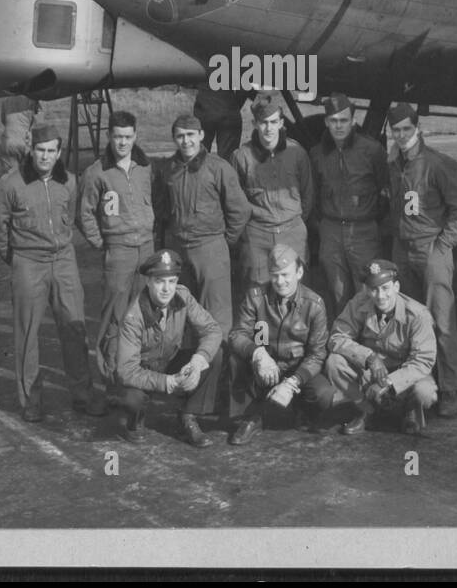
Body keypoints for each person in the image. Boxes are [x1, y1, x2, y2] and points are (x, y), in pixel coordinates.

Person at [0, 124, 106, 422]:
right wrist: (15, 258)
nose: (45, 156)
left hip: (64, 260)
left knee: (74, 327)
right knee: (27, 333)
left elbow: (73, 215)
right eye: (40, 150)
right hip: (28, 261)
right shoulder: (9, 185)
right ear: (31, 150)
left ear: (59, 152)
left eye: (52, 151)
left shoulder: (70, 183)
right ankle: (31, 401)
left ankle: (82, 394)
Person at [385, 103, 457, 418]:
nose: (401, 135)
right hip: (403, 249)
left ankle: (450, 389)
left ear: (417, 128)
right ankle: (418, 385)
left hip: (431, 249)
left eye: (406, 129)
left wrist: (444, 244)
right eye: (395, 130)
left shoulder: (438, 164)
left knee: (442, 321)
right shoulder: (394, 164)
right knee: (410, 322)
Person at [225, 244, 335, 445]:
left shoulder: (314, 304)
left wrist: (293, 382)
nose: (280, 281)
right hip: (266, 366)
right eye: (274, 275)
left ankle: (302, 410)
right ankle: (250, 417)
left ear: (299, 272)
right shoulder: (256, 297)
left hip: (296, 367)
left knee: (324, 394)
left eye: (286, 274)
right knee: (235, 360)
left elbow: (317, 354)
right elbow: (237, 334)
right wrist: (258, 354)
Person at [153, 114, 251, 340]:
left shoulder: (218, 168)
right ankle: (187, 365)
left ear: (201, 135)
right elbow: (162, 210)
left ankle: (219, 367)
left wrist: (225, 242)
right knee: (182, 310)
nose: (186, 141)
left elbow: (240, 210)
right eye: (180, 136)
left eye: (190, 135)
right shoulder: (167, 169)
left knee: (216, 314)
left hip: (210, 247)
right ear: (174, 139)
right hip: (179, 248)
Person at [114, 250, 224, 447]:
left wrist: (197, 362)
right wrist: (168, 382)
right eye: (159, 281)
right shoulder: (134, 315)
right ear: (148, 282)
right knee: (132, 398)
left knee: (215, 355)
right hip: (141, 370)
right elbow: (126, 370)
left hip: (168, 360)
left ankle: (188, 416)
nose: (167, 289)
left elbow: (212, 329)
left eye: (171, 281)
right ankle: (135, 421)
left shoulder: (182, 296)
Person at [78, 111, 154, 385]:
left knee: (145, 312)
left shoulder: (145, 167)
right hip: (118, 250)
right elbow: (84, 213)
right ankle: (110, 379)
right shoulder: (96, 172)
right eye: (117, 137)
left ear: (135, 136)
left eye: (128, 137)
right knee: (115, 317)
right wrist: (102, 243)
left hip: (146, 248)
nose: (122, 142)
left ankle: (140, 372)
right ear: (109, 136)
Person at [326, 260, 437, 436]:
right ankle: (366, 410)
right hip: (373, 371)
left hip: (404, 374)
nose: (380, 296)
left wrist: (389, 382)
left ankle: (410, 411)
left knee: (426, 392)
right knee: (334, 362)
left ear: (397, 287)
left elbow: (423, 361)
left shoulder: (417, 314)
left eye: (385, 288)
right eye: (374, 289)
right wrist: (369, 357)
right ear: (367, 290)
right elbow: (336, 337)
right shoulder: (358, 304)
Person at [309, 92, 389, 320]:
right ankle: (343, 349)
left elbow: (386, 190)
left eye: (344, 120)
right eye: (333, 121)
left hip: (363, 230)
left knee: (369, 292)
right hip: (331, 231)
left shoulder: (372, 151)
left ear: (353, 121)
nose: (339, 126)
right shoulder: (317, 154)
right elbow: (313, 194)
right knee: (337, 294)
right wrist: (322, 226)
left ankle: (371, 348)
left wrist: (372, 220)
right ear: (326, 122)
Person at [230, 92, 314, 294]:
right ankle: (261, 327)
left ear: (281, 123)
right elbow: (235, 202)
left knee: (294, 291)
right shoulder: (241, 157)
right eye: (263, 122)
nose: (268, 128)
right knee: (256, 293)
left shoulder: (297, 153)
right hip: (258, 234)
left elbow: (308, 194)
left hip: (292, 230)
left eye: (273, 122)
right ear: (255, 123)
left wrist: (294, 223)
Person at [193, 86, 248, 158]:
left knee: (198, 155)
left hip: (204, 108)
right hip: (228, 108)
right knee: (228, 158)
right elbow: (243, 89)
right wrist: (234, 106)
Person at [0, 94, 45, 175]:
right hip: (25, 141)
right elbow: (39, 122)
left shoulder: (6, 101)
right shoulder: (32, 100)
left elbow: (3, 120)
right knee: (27, 175)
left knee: (10, 177)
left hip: (8, 141)